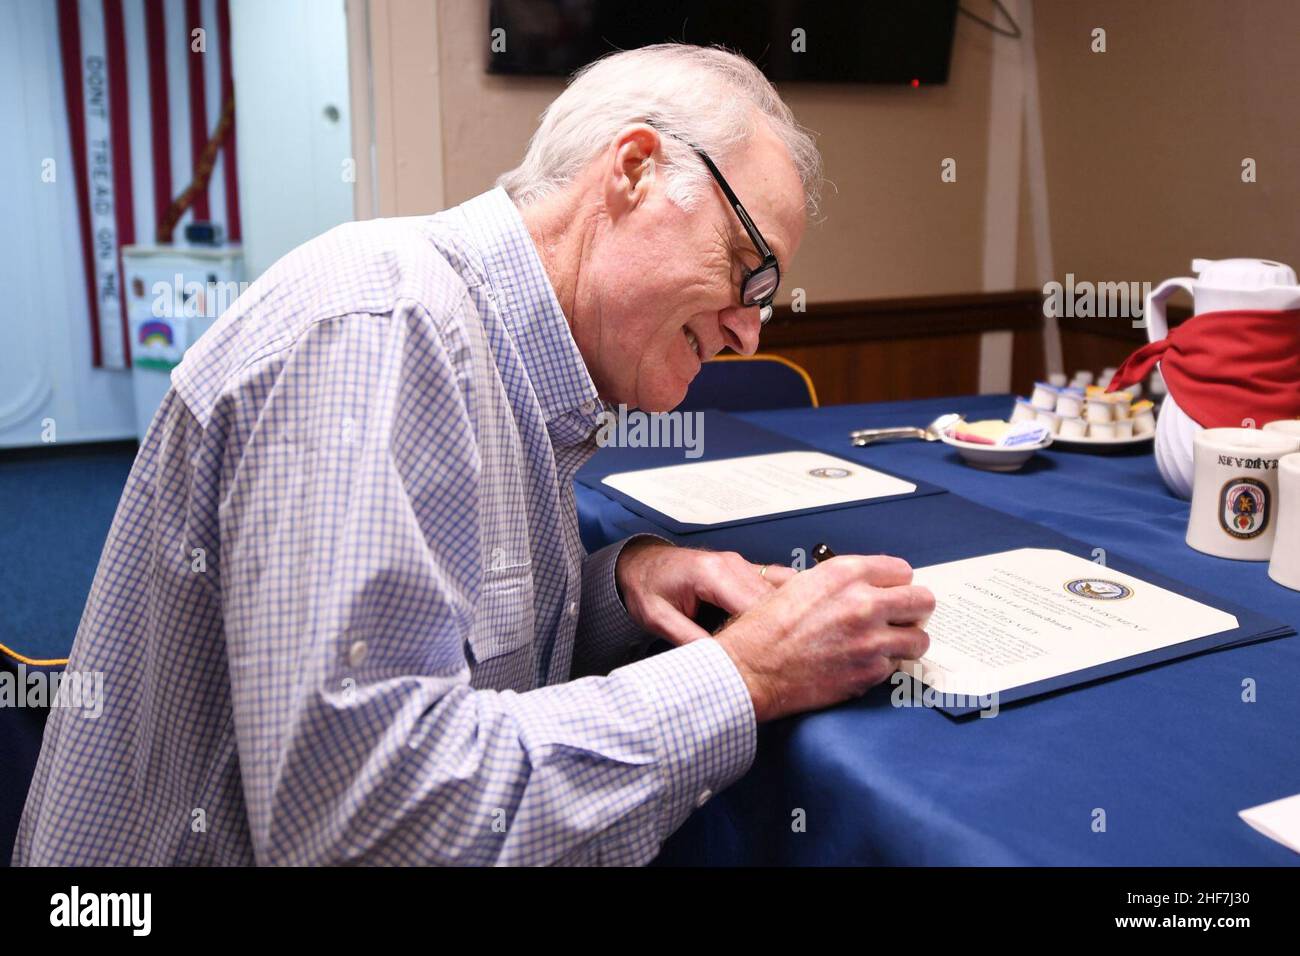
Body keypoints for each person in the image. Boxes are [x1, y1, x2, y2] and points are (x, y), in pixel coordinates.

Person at [15, 44, 932, 866]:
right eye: (747, 268)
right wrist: (746, 676)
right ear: (637, 171)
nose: (746, 332)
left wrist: (618, 586)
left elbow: (464, 651)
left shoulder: (491, 343)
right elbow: (362, 825)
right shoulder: (379, 331)